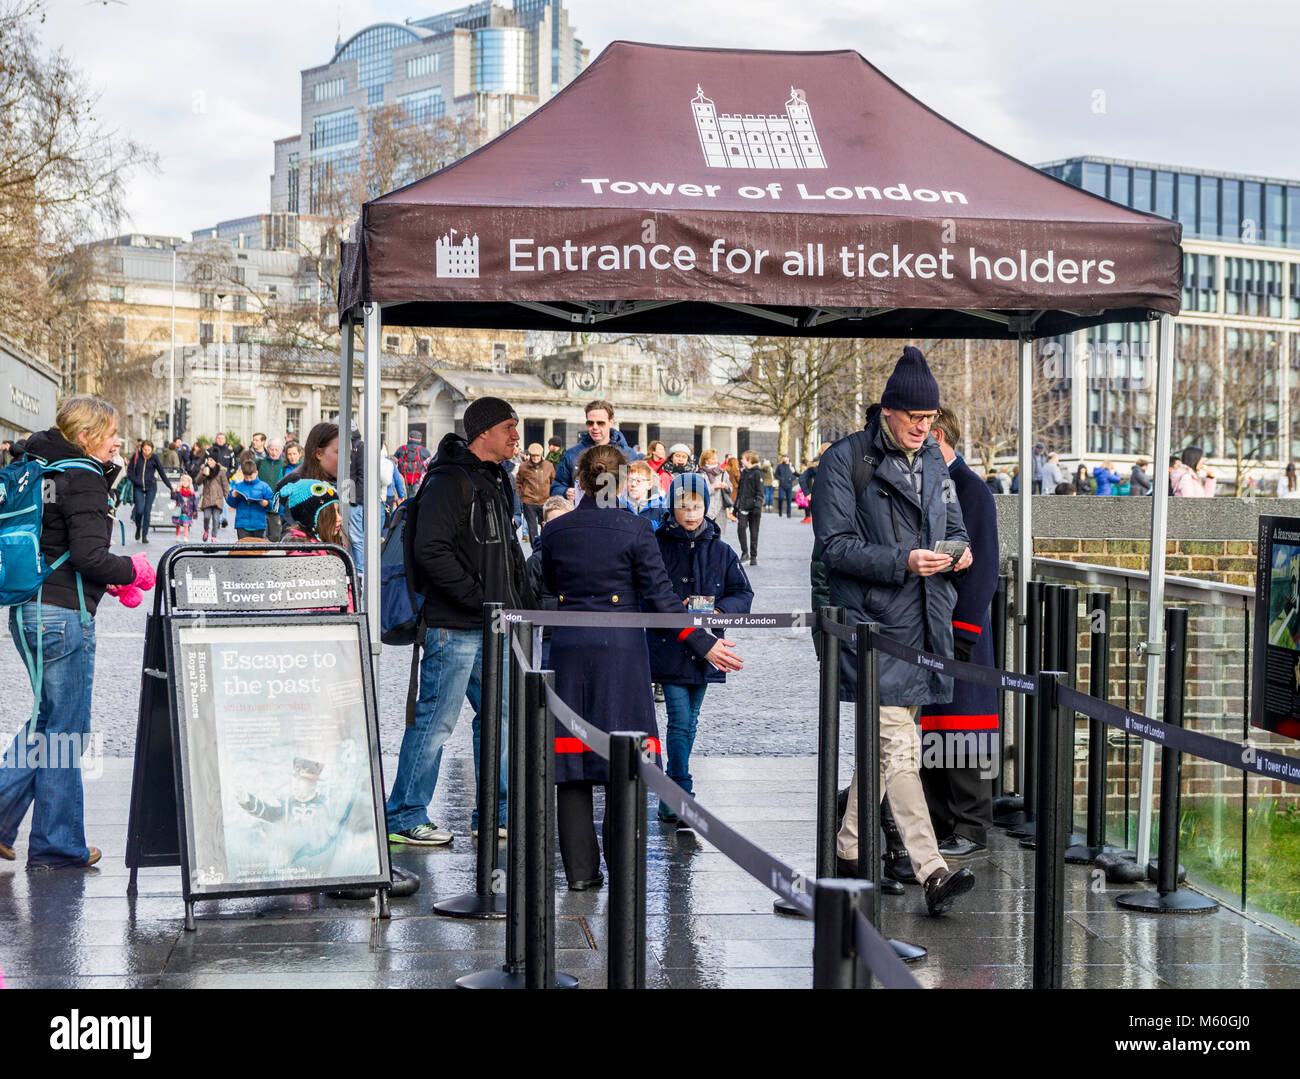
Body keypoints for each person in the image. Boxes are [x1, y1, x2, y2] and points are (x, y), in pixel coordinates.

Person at [813, 345, 976, 916]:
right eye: (914, 419)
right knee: (900, 748)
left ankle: (850, 845)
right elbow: (833, 548)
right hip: (872, 628)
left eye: (930, 420)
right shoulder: (843, 460)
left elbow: (955, 527)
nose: (923, 429)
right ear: (888, 410)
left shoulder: (934, 459)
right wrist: (904, 560)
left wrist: (957, 554)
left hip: (925, 623)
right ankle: (933, 871)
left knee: (885, 750)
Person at [539, 443, 742, 888]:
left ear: (580, 480)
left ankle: (579, 873)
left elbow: (550, 582)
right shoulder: (636, 528)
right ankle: (623, 868)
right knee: (624, 761)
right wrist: (703, 642)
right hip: (622, 651)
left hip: (570, 648)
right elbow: (663, 598)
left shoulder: (557, 531)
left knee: (572, 764)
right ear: (621, 479)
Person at [2, 396, 153, 869]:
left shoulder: (38, 466)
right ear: (86, 435)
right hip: (63, 612)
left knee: (46, 722)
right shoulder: (82, 475)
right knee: (65, 729)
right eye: (110, 432)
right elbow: (89, 556)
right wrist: (134, 569)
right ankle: (57, 844)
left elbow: (58, 542)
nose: (117, 441)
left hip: (27, 607)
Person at [386, 397, 534, 847]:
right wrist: (478, 599)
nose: (516, 436)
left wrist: (519, 602)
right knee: (435, 722)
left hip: (494, 623)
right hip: (456, 625)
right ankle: (404, 815)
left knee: (505, 717)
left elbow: (508, 553)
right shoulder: (448, 480)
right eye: (510, 426)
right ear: (484, 431)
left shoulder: (498, 479)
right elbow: (430, 551)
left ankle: (497, 812)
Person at [649, 473, 753, 824]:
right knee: (679, 719)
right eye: (683, 505)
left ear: (706, 506)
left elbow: (742, 593)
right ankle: (681, 792)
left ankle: (671, 795)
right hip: (669, 645)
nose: (690, 513)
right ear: (672, 506)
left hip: (710, 645)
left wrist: (723, 611)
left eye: (696, 506)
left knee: (691, 721)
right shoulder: (657, 545)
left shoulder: (721, 549)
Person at [919, 409, 1000, 858]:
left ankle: (971, 826)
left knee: (964, 731)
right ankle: (939, 821)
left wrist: (963, 632)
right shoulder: (931, 483)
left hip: (959, 630)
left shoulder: (972, 490)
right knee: (932, 729)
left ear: (939, 434)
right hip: (929, 627)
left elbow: (984, 568)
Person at [551, 398, 640, 500]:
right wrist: (565, 492)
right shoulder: (571, 454)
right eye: (590, 423)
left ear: (611, 422)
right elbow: (555, 487)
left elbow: (641, 487)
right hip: (583, 511)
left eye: (600, 423)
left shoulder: (629, 454)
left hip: (619, 512)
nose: (595, 427)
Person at [127, 439, 174, 543]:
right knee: (139, 511)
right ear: (141, 448)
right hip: (138, 487)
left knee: (147, 511)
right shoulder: (136, 456)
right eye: (144, 449)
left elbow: (161, 472)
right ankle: (138, 527)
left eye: (149, 450)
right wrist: (136, 480)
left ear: (152, 449)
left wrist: (170, 486)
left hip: (151, 487)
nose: (146, 452)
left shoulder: (154, 458)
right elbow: (129, 471)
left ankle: (144, 535)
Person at [227, 450, 275, 539]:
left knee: (258, 551)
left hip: (259, 524)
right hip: (242, 524)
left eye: (251, 477)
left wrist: (267, 503)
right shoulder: (238, 486)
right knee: (243, 551)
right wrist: (232, 496)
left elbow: (273, 503)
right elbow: (232, 504)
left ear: (256, 473)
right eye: (246, 477)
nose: (248, 479)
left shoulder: (264, 486)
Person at [515, 442, 555, 543]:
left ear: (541, 455)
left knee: (546, 526)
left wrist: (553, 499)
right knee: (532, 529)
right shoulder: (523, 467)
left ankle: (545, 547)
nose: (535, 458)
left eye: (537, 456)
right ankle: (535, 549)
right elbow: (518, 483)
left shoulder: (549, 466)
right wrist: (519, 499)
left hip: (545, 501)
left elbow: (554, 482)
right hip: (529, 501)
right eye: (533, 456)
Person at [619, 458, 668, 530]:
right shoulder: (619, 507)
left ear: (649, 484)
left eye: (638, 480)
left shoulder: (661, 510)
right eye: (630, 480)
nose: (633, 484)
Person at [734, 450, 765, 565]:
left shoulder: (757, 473)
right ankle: (744, 552)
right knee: (741, 528)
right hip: (743, 507)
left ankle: (753, 555)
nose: (741, 461)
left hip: (754, 508)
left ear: (749, 460)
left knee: (754, 531)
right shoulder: (744, 472)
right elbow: (740, 491)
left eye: (743, 459)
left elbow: (760, 492)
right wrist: (735, 508)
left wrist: (757, 506)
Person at [195, 447, 230, 541]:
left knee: (216, 519)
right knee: (206, 517)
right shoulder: (204, 469)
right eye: (208, 459)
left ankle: (214, 536)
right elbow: (197, 482)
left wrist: (228, 499)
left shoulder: (221, 472)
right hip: (207, 498)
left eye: (211, 460)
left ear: (215, 461)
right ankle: (206, 530)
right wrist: (203, 474)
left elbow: (225, 486)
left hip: (218, 499)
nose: (209, 461)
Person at [257, 438, 287, 541]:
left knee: (275, 536)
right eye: (271, 449)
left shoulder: (285, 465)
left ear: (282, 450)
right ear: (267, 449)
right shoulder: (259, 462)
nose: (274, 453)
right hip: (260, 505)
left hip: (276, 507)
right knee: (259, 537)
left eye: (277, 450)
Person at [394, 429, 432, 495]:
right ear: (420, 439)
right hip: (418, 481)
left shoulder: (401, 449)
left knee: (404, 501)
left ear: (409, 438)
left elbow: (394, 464)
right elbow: (429, 467)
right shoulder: (424, 451)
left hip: (402, 480)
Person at [171, 472, 198, 540]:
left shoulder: (191, 493)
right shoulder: (179, 491)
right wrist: (174, 491)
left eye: (187, 481)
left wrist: (195, 511)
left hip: (188, 511)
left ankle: (185, 537)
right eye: (183, 481)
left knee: (186, 524)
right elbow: (173, 497)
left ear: (189, 483)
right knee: (178, 524)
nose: (185, 482)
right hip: (179, 510)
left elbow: (194, 503)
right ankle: (177, 536)